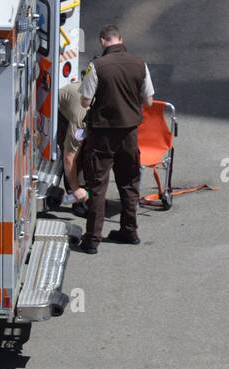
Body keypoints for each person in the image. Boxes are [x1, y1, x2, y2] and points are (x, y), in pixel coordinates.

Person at [76, 24, 154, 254]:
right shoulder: (140, 64)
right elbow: (149, 101)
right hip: (129, 134)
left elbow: (84, 102)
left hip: (102, 135)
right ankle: (129, 232)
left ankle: (92, 240)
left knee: (98, 186)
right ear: (121, 39)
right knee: (129, 184)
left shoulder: (96, 66)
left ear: (102, 41)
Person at [46, 81, 90, 217]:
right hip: (60, 109)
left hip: (77, 100)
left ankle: (85, 191)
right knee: (75, 153)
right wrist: (76, 189)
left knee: (88, 151)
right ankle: (76, 196)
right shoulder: (80, 121)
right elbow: (69, 157)